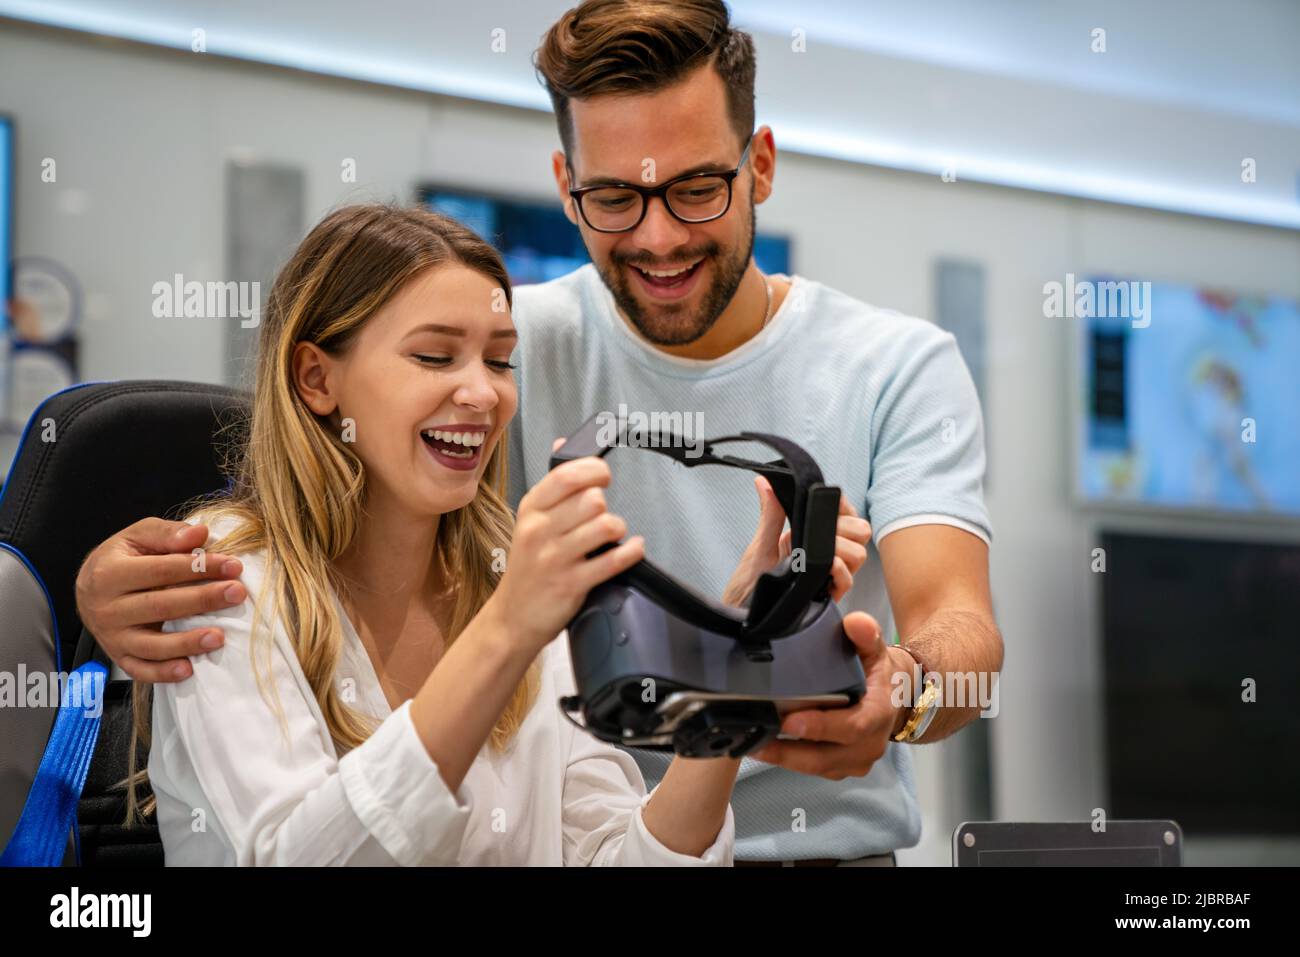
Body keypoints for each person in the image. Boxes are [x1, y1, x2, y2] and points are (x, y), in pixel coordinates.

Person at [78, 0, 1003, 866]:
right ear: (566, 186)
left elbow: (962, 632)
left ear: (759, 165)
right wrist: (93, 582)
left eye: (695, 190)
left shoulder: (895, 363)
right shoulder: (512, 336)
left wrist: (888, 690)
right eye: (614, 199)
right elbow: (315, 475)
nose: (658, 237)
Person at [132, 203, 747, 865]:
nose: (484, 394)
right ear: (316, 378)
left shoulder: (510, 573)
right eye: (435, 355)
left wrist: (736, 677)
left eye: (500, 360)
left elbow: (607, 854)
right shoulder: (227, 579)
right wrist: (507, 630)